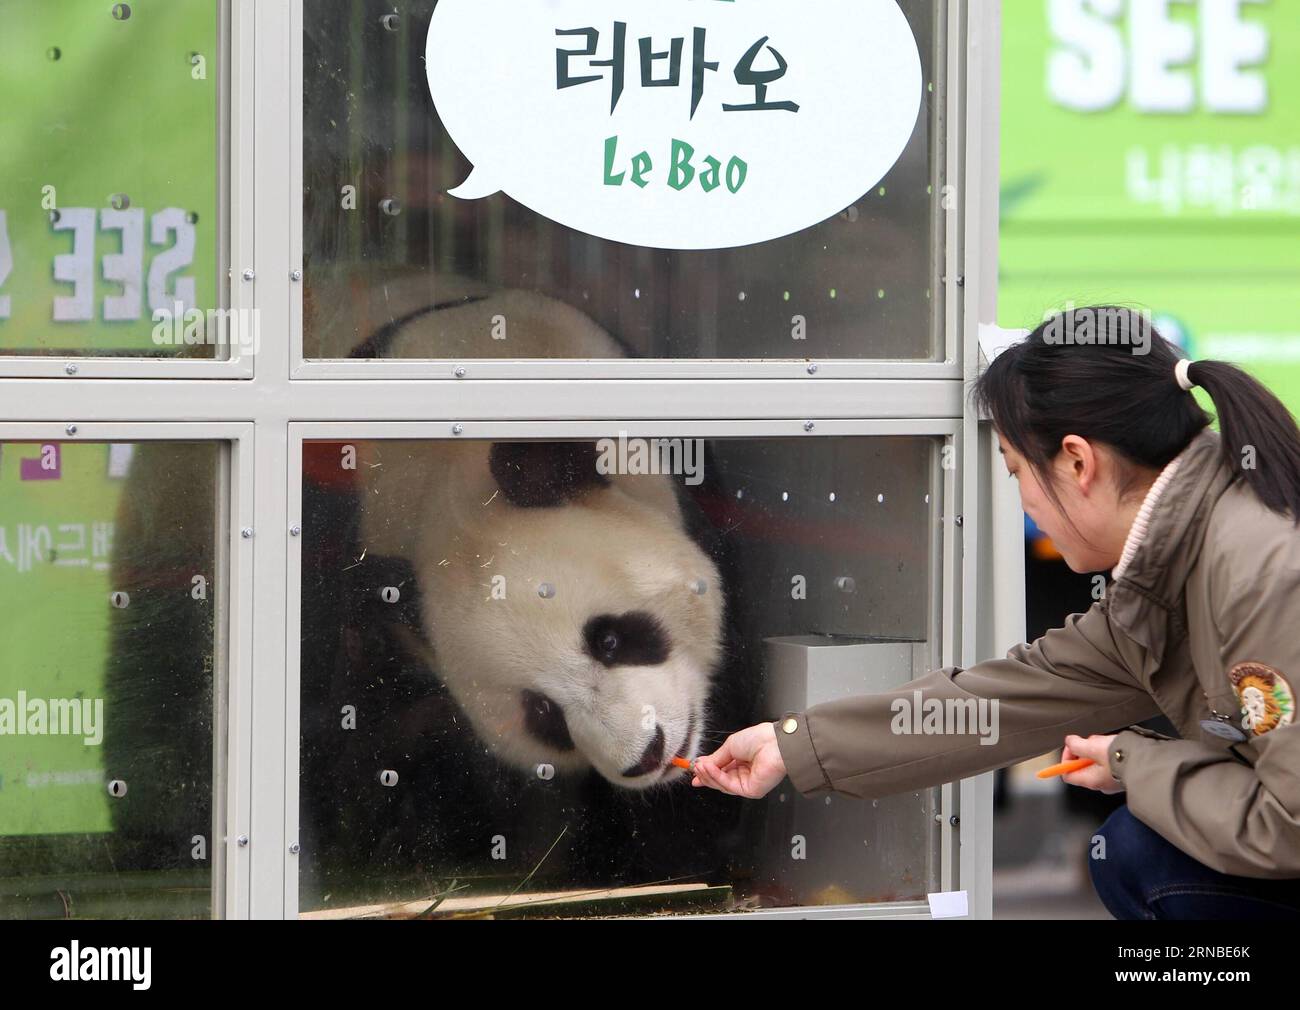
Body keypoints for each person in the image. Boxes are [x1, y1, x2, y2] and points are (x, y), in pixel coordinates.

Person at [691, 306, 1300, 920]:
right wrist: (794, 745)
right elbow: (1002, 702)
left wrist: (1133, 761)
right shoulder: (1165, 573)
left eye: (1015, 469)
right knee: (1134, 851)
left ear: (1077, 462)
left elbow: (1289, 824)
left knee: (1135, 852)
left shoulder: (1262, 572)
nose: (1022, 498)